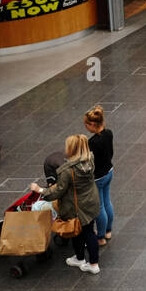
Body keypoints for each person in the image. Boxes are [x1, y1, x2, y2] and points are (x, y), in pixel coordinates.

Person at [29, 135, 101, 274]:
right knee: (88, 232)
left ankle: (89, 263)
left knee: (78, 232)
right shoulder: (90, 159)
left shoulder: (67, 171)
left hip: (76, 207)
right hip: (90, 201)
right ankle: (88, 261)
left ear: (72, 149)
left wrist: (40, 190)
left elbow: (58, 191)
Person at [83, 105, 114, 245]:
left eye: (86, 124)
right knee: (107, 202)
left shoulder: (93, 142)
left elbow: (89, 162)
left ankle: (100, 236)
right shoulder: (109, 133)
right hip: (109, 171)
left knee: (99, 207)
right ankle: (108, 231)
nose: (86, 127)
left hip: (98, 177)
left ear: (93, 124)